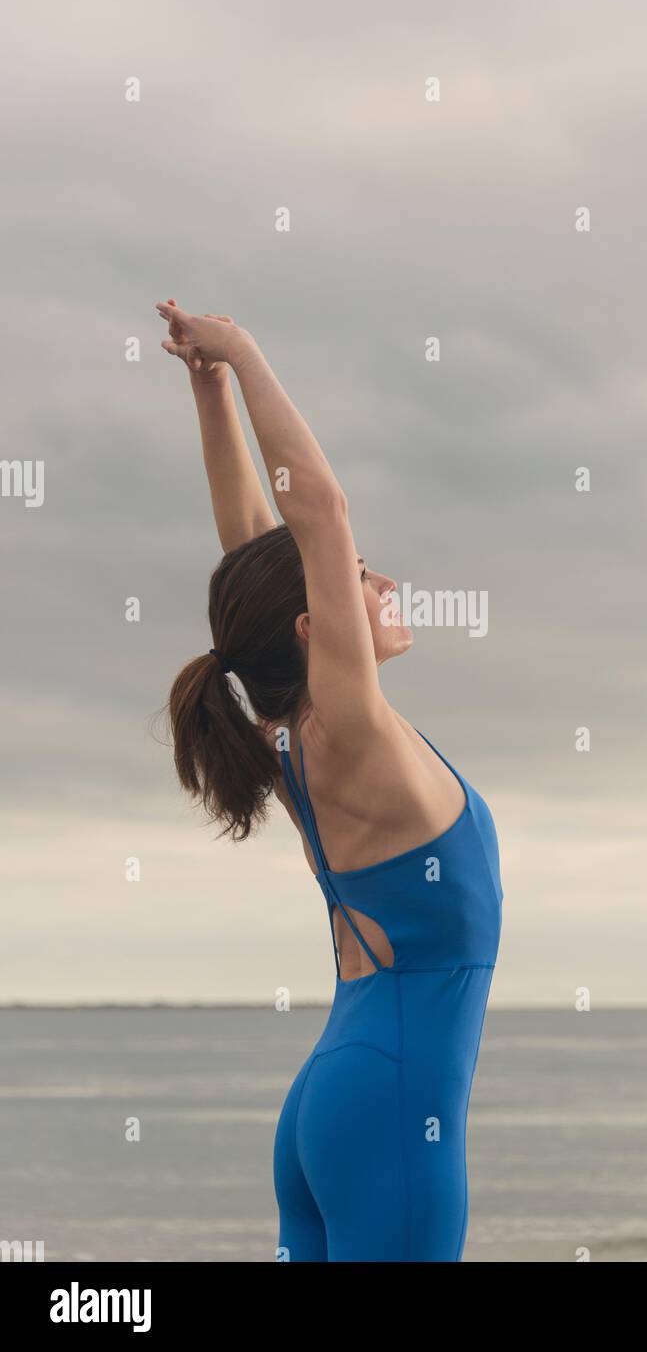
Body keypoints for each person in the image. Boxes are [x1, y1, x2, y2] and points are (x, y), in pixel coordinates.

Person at [159, 300, 503, 1261]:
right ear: (315, 631)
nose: (382, 585)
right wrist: (243, 349)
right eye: (357, 577)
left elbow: (252, 547)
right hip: (393, 1117)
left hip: (334, 1105)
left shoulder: (298, 744)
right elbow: (313, 509)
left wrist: (210, 393)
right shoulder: (347, 733)